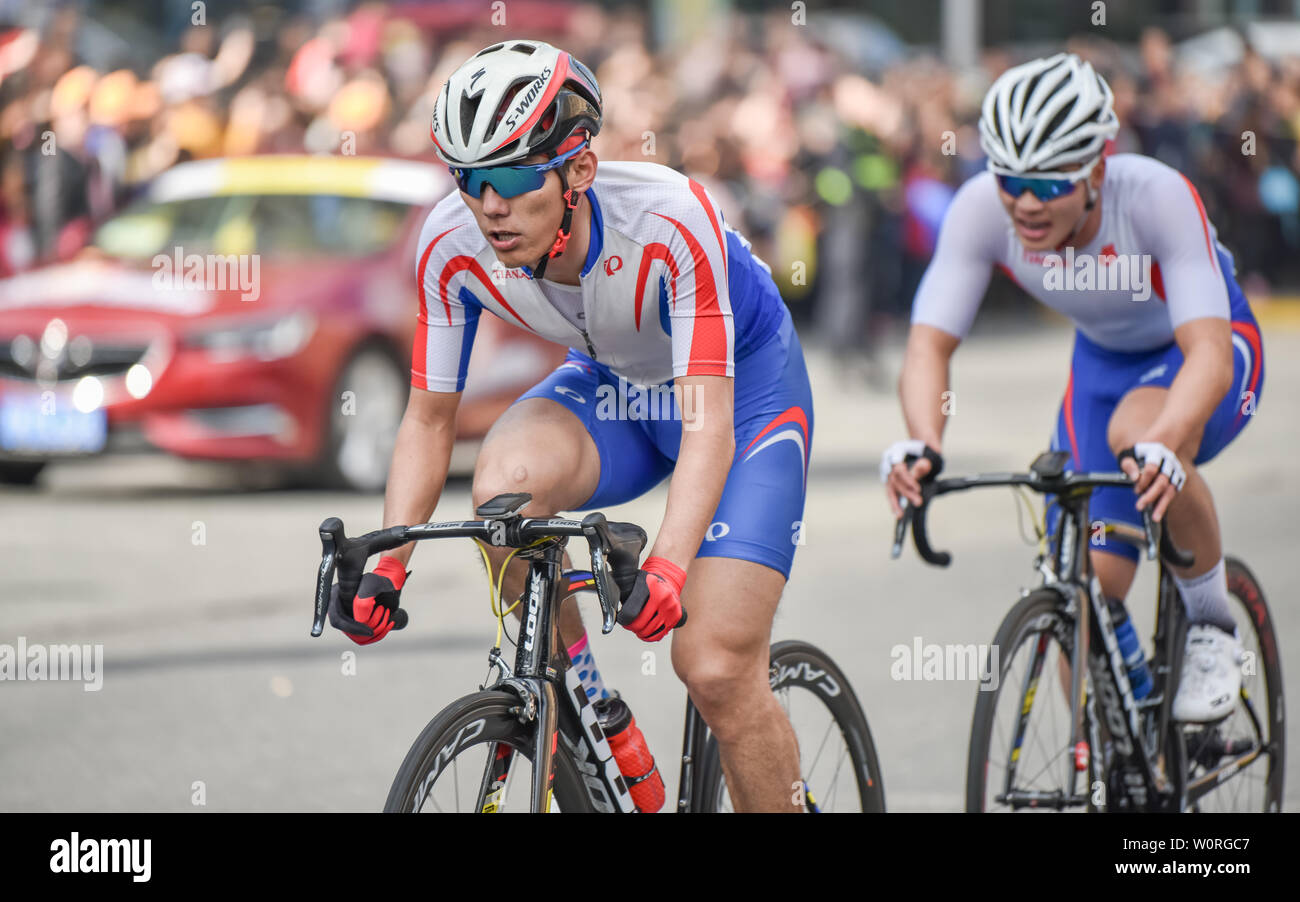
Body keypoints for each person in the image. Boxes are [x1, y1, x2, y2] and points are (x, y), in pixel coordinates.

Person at [329, 39, 814, 811]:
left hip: (738, 392)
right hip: (611, 382)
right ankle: (588, 703)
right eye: (469, 179)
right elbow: (429, 419)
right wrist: (391, 559)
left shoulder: (666, 217)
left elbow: (707, 422)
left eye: (514, 178)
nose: (489, 204)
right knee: (502, 494)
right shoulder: (449, 245)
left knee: (715, 664)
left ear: (578, 171)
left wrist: (669, 568)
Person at [881, 53, 1264, 723]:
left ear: (1095, 169)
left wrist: (1169, 439)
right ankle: (1126, 760)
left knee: (1136, 435)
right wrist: (922, 441)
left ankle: (1212, 625)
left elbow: (1206, 349)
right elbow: (928, 343)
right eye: (1011, 179)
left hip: (1205, 349)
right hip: (1103, 366)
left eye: (1050, 185)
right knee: (1083, 589)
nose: (1026, 202)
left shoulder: (1155, 196)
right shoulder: (981, 210)